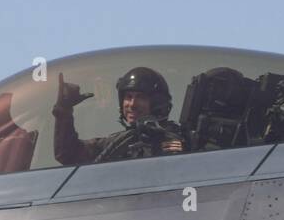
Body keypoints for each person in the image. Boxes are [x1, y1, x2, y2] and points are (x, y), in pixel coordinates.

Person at [52, 66, 187, 165]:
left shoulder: (182, 140)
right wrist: (64, 111)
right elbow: (68, 154)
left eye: (141, 97)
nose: (132, 104)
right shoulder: (119, 143)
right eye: (128, 97)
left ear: (157, 103)